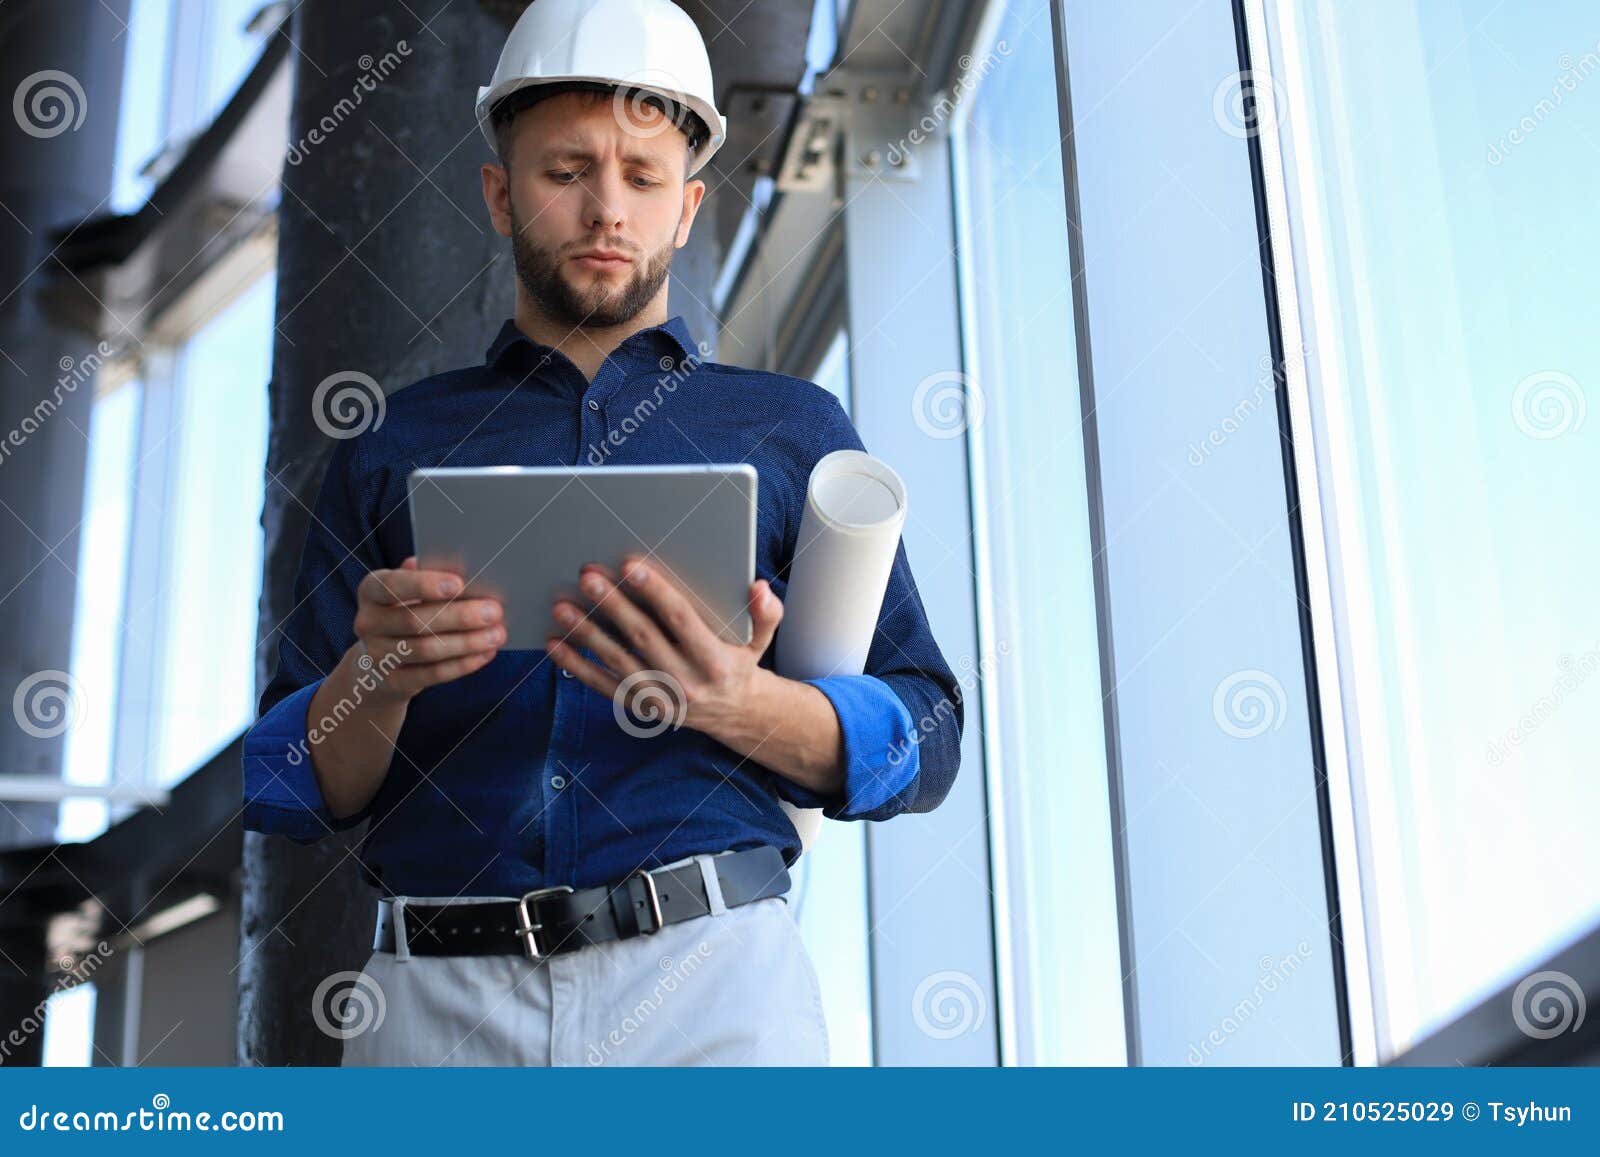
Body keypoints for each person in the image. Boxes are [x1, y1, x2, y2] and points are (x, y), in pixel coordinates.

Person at [242, 0, 963, 1067]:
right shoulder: (392, 443)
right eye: (565, 171)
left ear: (687, 208)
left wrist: (739, 702)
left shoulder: (790, 428)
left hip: (711, 982)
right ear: (499, 194)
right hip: (438, 1003)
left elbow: (929, 736)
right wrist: (379, 676)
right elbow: (282, 778)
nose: (605, 210)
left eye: (641, 175)